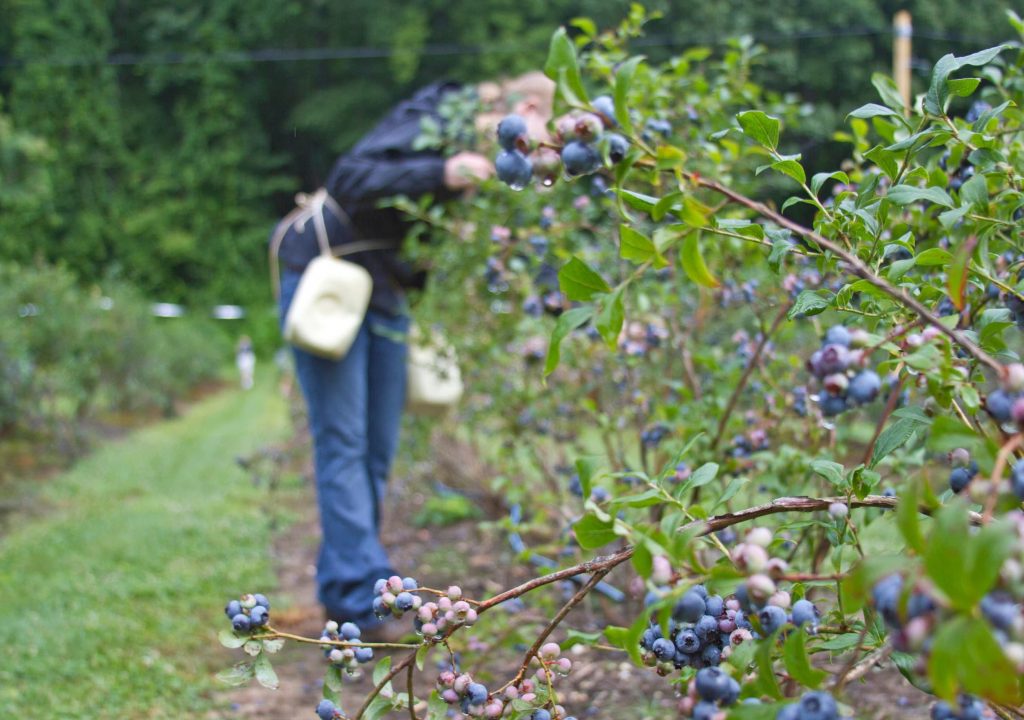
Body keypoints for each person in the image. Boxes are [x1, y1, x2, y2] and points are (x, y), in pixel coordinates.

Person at [271, 72, 554, 638]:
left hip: (384, 292)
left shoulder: (491, 163)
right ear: (525, 109)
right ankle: (363, 594)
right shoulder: (444, 115)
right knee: (344, 442)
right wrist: (443, 172)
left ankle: (346, 589)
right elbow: (351, 178)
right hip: (330, 279)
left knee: (376, 448)